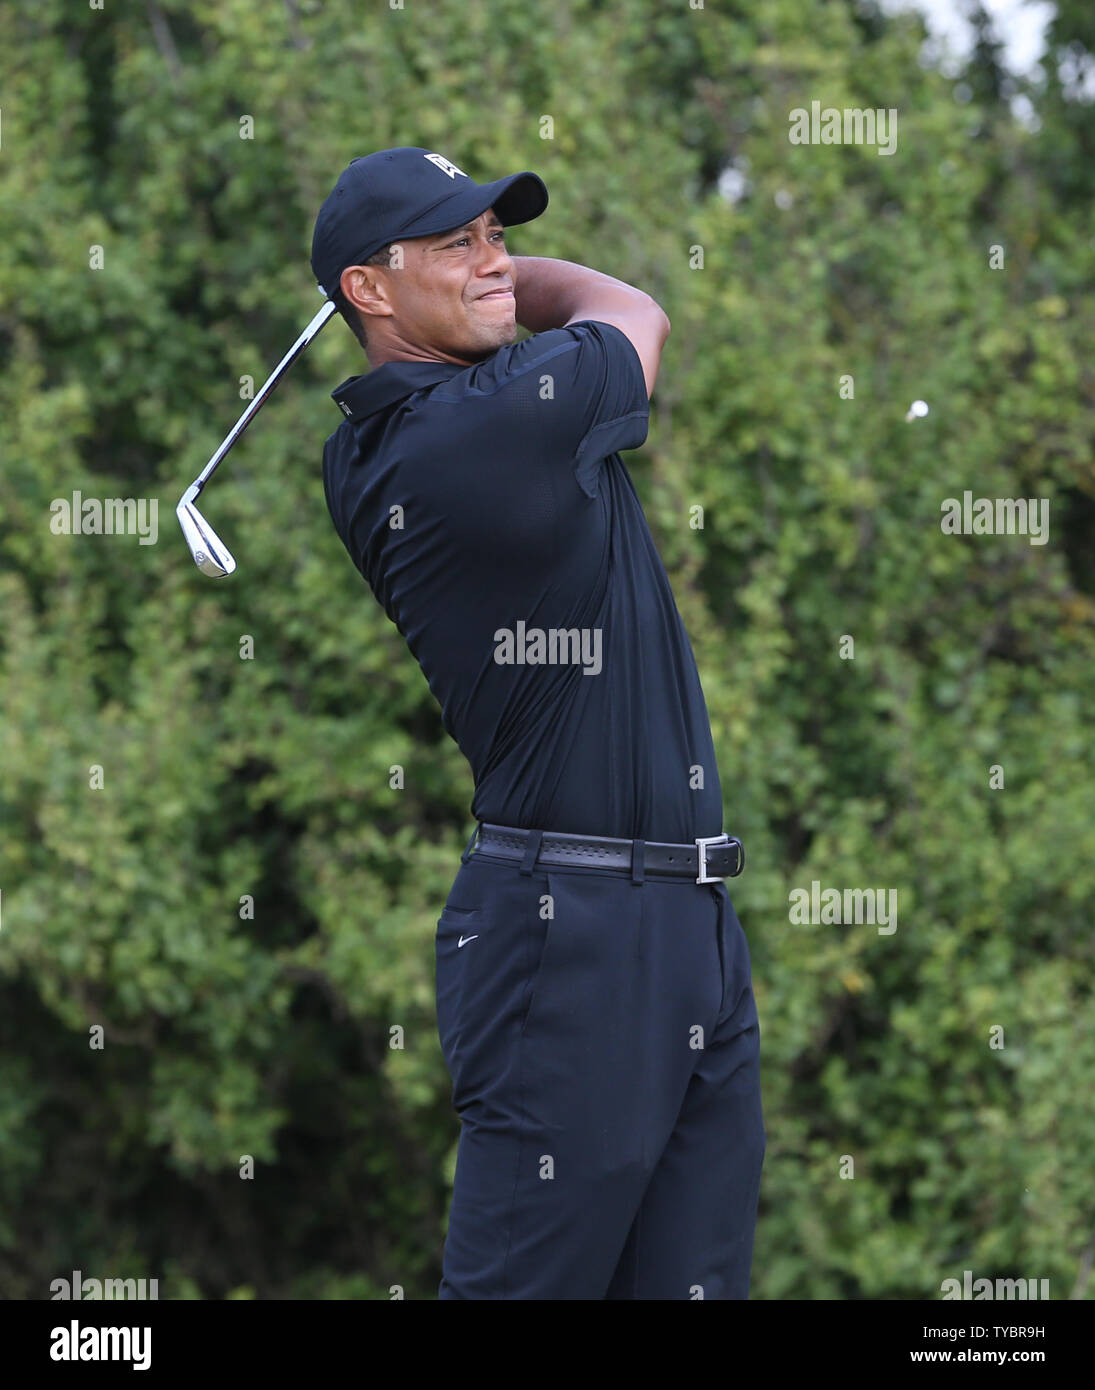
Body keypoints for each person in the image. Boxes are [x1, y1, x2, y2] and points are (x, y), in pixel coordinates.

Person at [311, 147, 764, 1300]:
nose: (495, 260)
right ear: (368, 290)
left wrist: (476, 280)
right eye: (455, 242)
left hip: (683, 922)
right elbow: (633, 310)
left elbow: (582, 313)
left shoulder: (438, 420)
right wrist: (505, 290)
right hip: (570, 934)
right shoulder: (461, 436)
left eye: (499, 235)